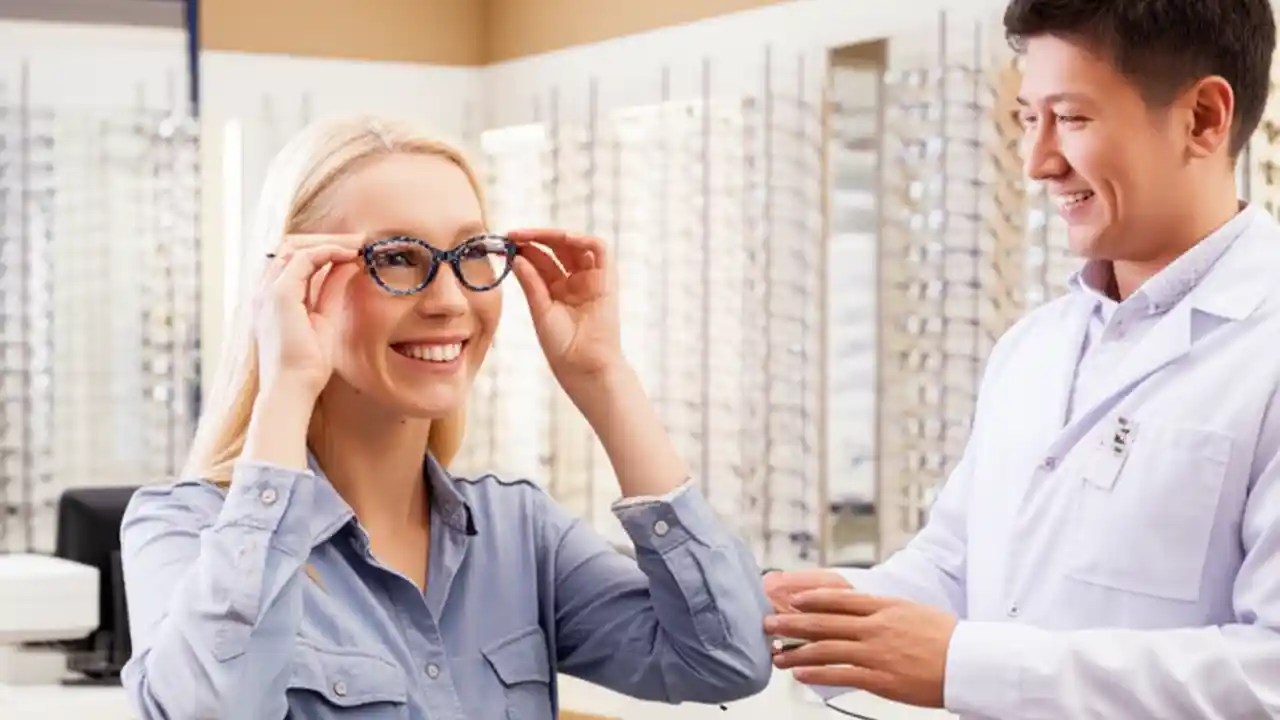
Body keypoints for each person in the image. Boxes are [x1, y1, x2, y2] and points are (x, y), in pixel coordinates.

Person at [119, 116, 772, 719]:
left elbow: (726, 660)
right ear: (296, 284)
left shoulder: (520, 532)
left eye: (470, 254)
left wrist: (603, 377)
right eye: (398, 257)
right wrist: (286, 382)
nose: (450, 299)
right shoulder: (184, 529)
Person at [762, 1, 1280, 717]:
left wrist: (967, 665)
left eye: (1070, 119)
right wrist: (816, 611)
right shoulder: (1032, 349)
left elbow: (1270, 671)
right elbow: (956, 566)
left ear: (1202, 118)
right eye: (1027, 119)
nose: (1038, 162)